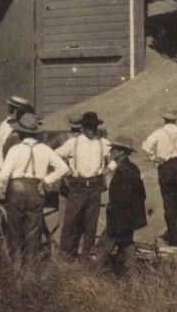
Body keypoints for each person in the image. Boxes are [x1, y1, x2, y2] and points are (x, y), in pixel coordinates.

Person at [0, 111, 68, 263]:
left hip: (16, 190)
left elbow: (3, 175)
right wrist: (46, 180)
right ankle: (31, 267)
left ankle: (17, 266)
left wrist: (0, 191)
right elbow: (63, 168)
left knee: (14, 230)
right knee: (34, 230)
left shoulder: (15, 150)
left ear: (21, 132)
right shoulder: (45, 149)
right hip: (36, 190)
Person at [56, 110, 112, 259]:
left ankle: (87, 255)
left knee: (91, 223)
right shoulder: (73, 142)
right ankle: (65, 254)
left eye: (94, 127)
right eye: (89, 127)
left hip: (95, 185)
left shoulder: (102, 143)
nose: (92, 131)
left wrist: (107, 169)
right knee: (70, 221)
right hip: (77, 186)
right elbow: (55, 155)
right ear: (82, 128)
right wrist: (67, 170)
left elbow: (115, 157)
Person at [142, 107, 177, 246]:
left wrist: (154, 157)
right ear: (176, 118)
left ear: (164, 118)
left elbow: (145, 146)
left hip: (165, 167)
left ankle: (174, 237)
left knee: (169, 202)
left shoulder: (158, 133)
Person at [102, 135, 149, 276]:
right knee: (126, 244)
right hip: (129, 217)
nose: (110, 153)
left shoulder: (123, 171)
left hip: (120, 216)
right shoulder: (132, 168)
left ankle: (92, 274)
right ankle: (130, 275)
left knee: (105, 245)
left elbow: (122, 198)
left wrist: (111, 208)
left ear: (121, 152)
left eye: (113, 150)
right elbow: (142, 194)